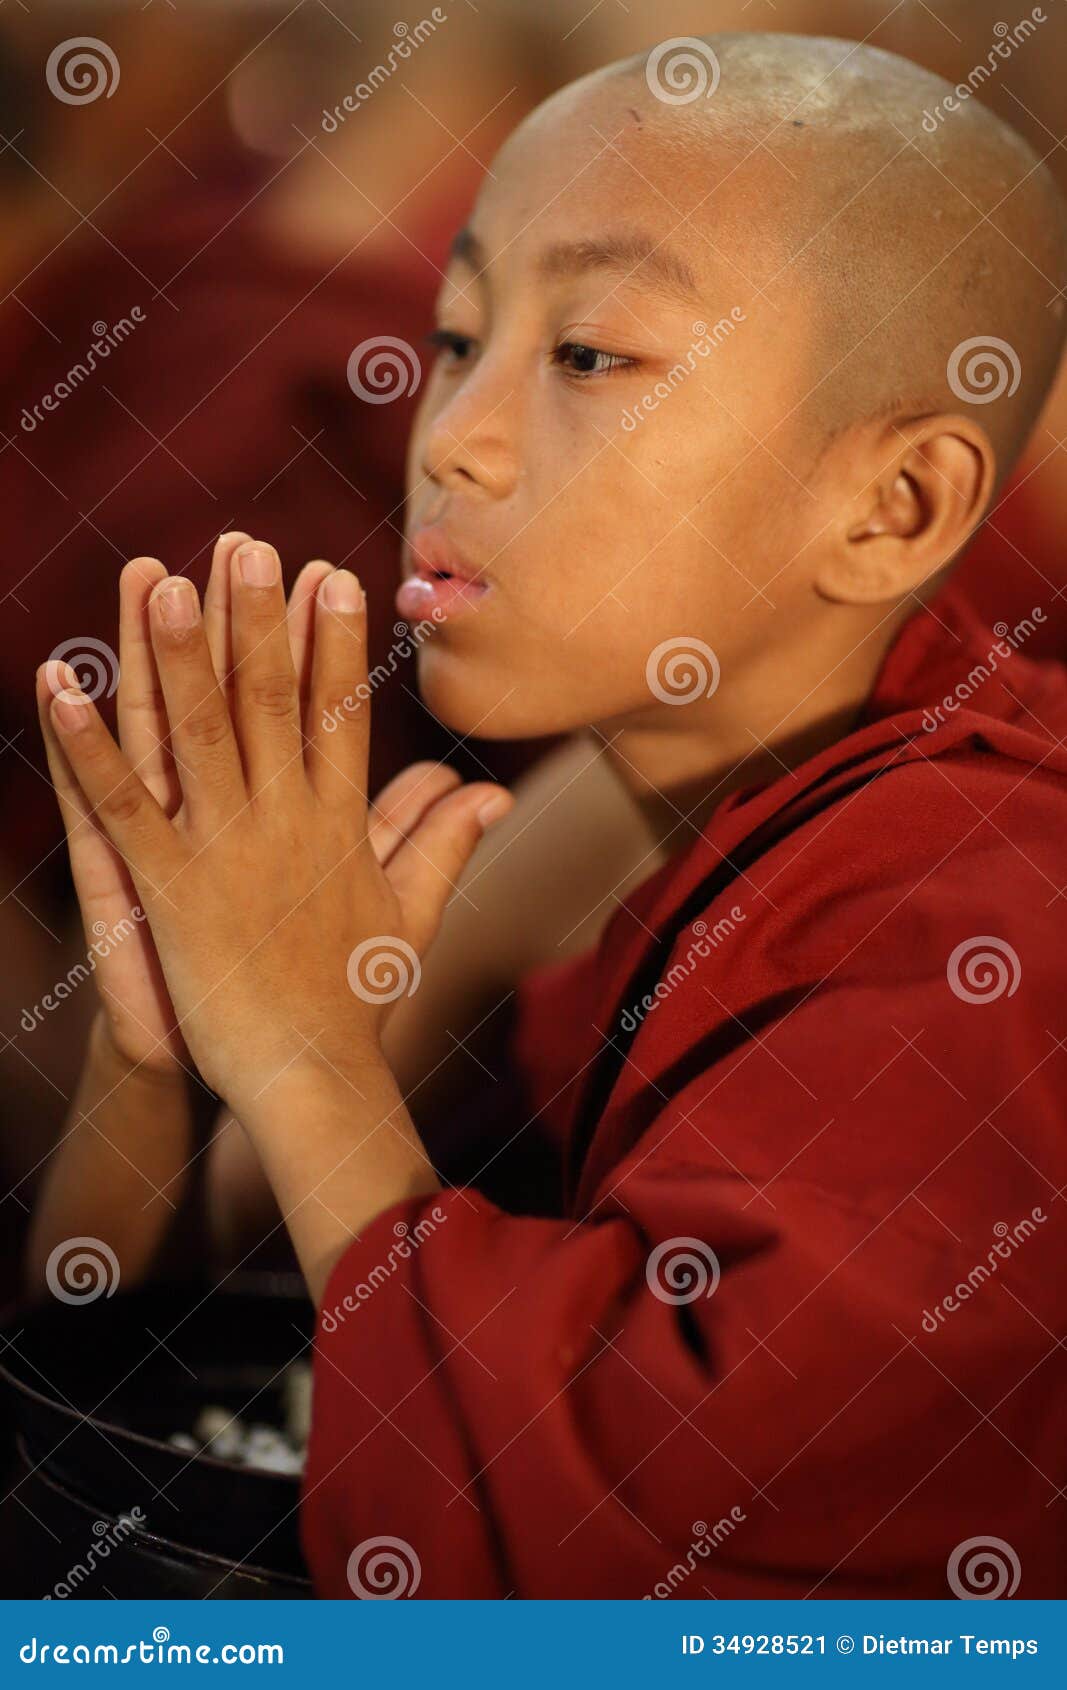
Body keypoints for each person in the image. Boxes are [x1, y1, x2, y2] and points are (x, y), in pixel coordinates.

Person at [27, 34, 1067, 1598]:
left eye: (587, 355)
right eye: (458, 336)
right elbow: (162, 1362)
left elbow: (633, 1550)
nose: (453, 433)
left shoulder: (985, 925)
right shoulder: (658, 809)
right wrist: (165, 1043)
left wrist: (308, 1060)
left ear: (894, 506)